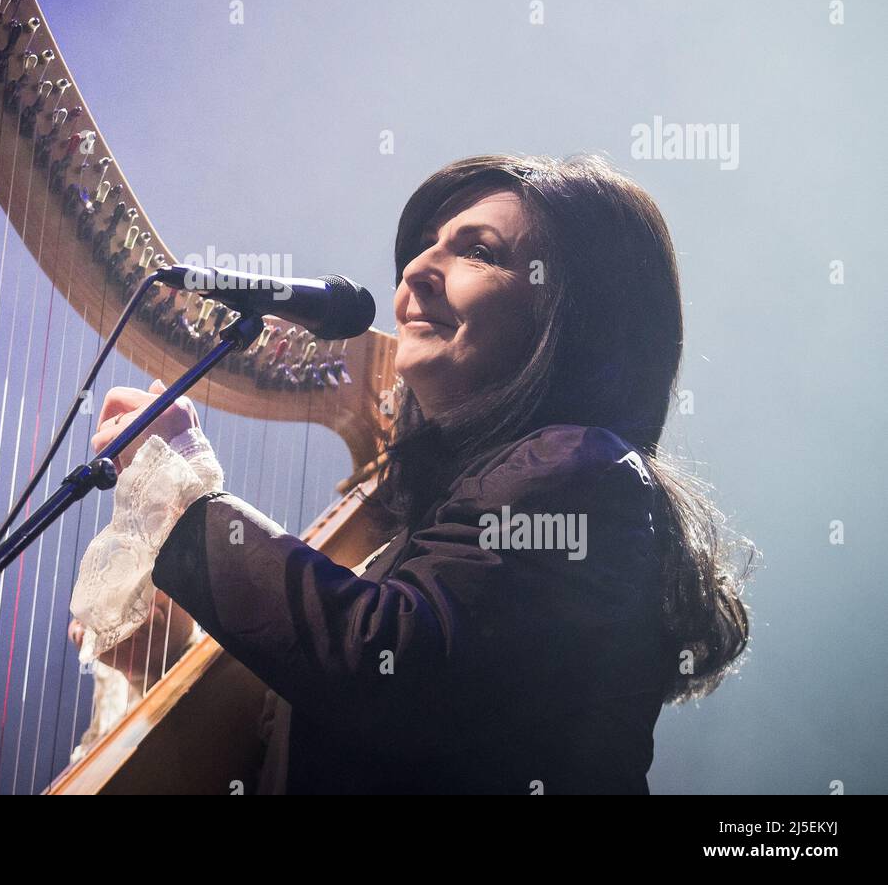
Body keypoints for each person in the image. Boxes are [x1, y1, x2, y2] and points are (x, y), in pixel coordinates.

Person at [68, 152, 755, 793]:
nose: (419, 269)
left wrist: (183, 493)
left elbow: (386, 670)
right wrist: (163, 660)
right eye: (429, 243)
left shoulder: (585, 473)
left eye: (479, 252)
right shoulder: (424, 535)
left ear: (571, 322)